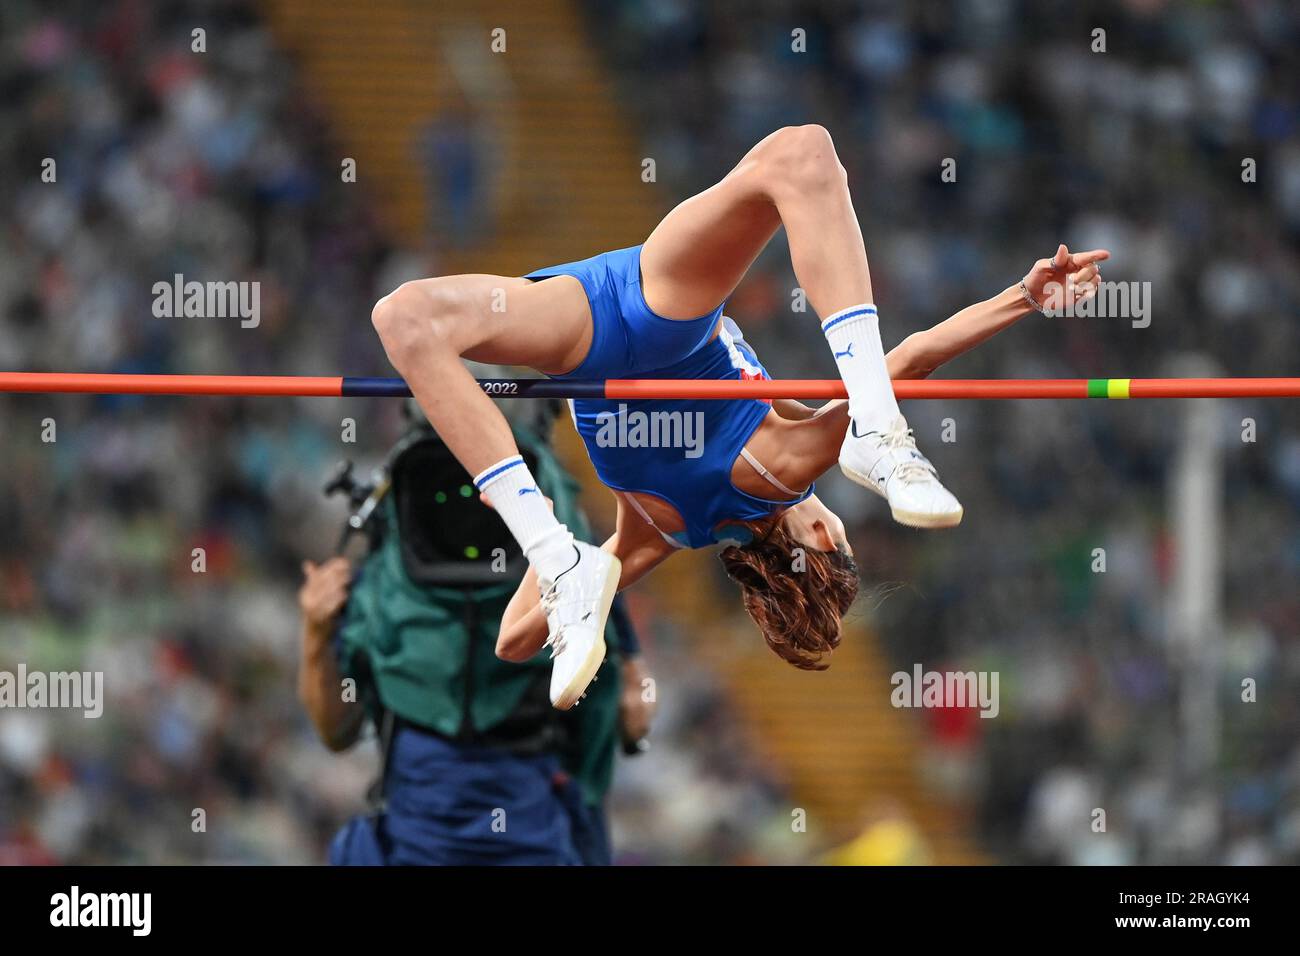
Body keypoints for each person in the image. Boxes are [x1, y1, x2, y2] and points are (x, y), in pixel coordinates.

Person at [370, 124, 1107, 706]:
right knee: (405, 319)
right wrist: (580, 567)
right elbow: (513, 640)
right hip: (579, 339)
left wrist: (1024, 296)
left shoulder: (786, 468)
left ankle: (879, 431)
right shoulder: (659, 533)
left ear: (821, 533)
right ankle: (552, 553)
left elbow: (911, 358)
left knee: (801, 153)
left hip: (646, 305)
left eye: (838, 529)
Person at [298, 399, 653, 865]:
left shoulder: (383, 582)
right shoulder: (581, 571)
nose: (470, 511)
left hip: (452, 828)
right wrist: (317, 631)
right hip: (515, 828)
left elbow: (336, 733)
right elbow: (636, 718)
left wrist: (317, 634)